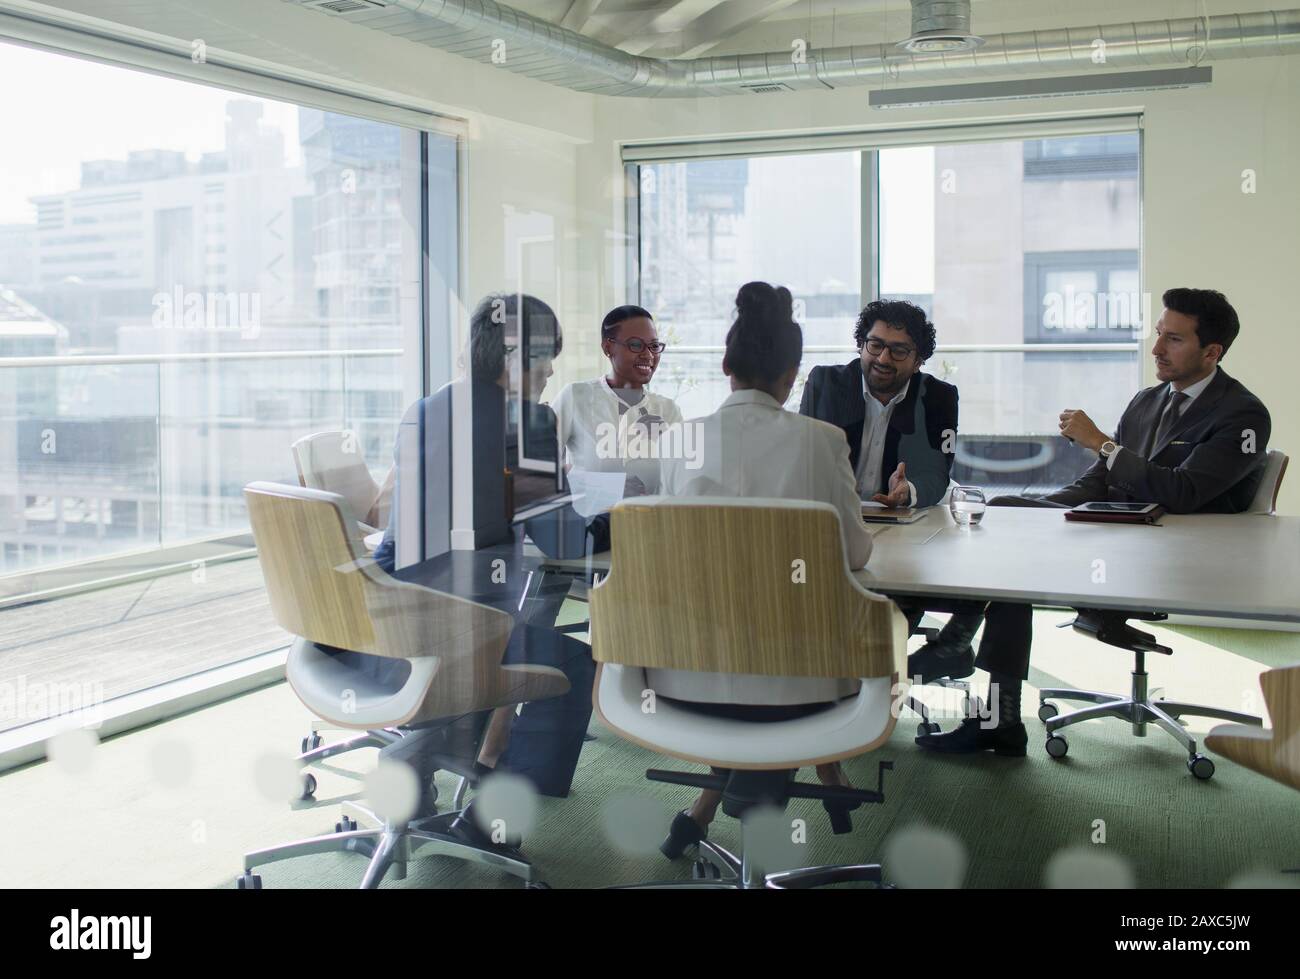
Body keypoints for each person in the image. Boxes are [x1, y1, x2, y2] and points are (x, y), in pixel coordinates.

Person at [916, 287, 1272, 756]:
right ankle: (991, 704)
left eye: (1174, 340)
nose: (1157, 349)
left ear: (1212, 352)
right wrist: (1032, 510)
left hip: (1173, 556)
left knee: (1012, 563)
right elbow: (1097, 484)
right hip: (1116, 534)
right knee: (1006, 518)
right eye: (1158, 334)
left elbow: (1183, 493)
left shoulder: (1243, 416)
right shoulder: (1148, 401)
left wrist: (1103, 443)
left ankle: (963, 656)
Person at [651, 281, 875, 857]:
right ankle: (818, 778)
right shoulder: (823, 442)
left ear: (726, 364)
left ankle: (716, 803)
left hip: (684, 680)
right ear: (793, 373)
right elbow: (854, 556)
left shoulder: (679, 442)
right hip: (802, 685)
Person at [799, 299, 983, 682]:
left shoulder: (938, 397)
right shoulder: (826, 383)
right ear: (861, 345)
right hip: (835, 524)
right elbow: (803, 456)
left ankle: (883, 666)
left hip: (902, 528)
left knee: (926, 578)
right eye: (875, 344)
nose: (883, 357)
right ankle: (865, 669)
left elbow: (937, 471)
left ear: (918, 360)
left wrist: (909, 490)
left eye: (899, 350)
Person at [549, 305, 683, 542]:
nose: (648, 355)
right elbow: (542, 471)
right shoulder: (576, 397)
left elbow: (679, 483)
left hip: (652, 537)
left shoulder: (668, 411)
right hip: (588, 539)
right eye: (635, 345)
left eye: (654, 346)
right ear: (608, 347)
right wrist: (609, 488)